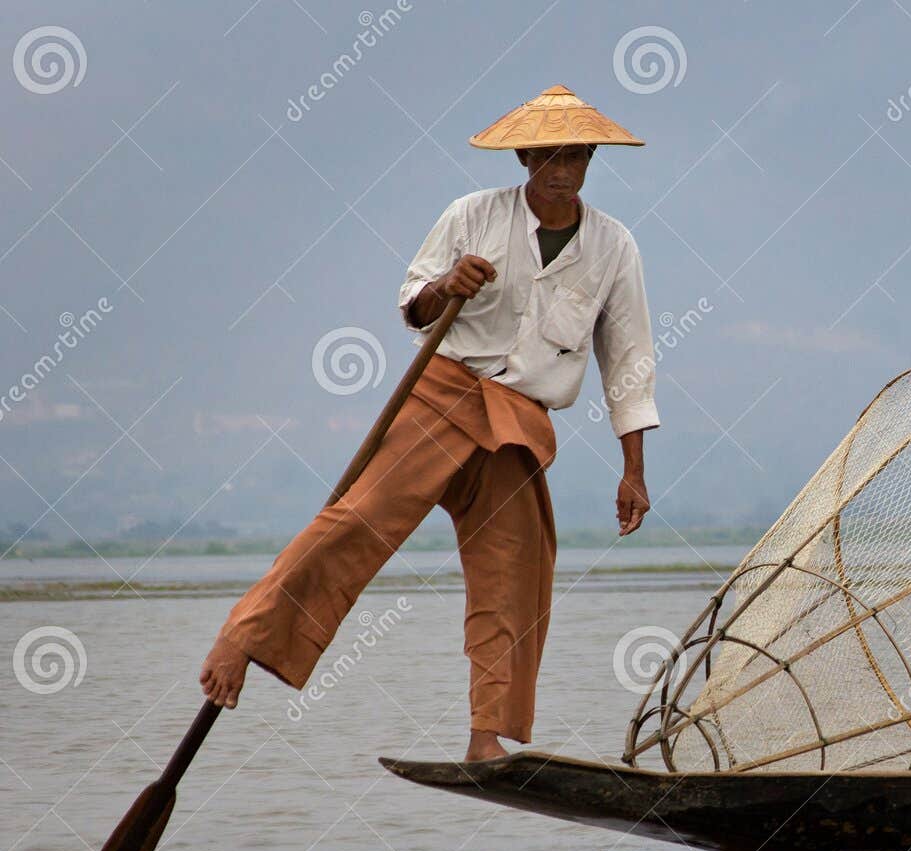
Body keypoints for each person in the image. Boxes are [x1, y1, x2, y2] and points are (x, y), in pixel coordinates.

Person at [199, 85, 659, 761]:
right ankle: (243, 636)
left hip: (520, 420)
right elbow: (413, 305)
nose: (563, 168)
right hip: (441, 393)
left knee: (515, 573)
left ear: (591, 160)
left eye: (577, 155)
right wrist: (448, 284)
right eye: (550, 155)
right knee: (357, 523)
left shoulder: (615, 247)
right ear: (525, 158)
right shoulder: (471, 216)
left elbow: (630, 362)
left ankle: (485, 738)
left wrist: (634, 472)